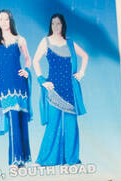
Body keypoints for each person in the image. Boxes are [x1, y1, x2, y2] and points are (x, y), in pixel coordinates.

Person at [32, 14, 88, 167]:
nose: (56, 26)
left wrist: (81, 72)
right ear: (50, 25)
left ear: (63, 25)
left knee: (71, 126)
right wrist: (42, 80)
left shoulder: (70, 43)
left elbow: (85, 56)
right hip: (53, 90)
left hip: (69, 90)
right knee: (53, 124)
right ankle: (43, 160)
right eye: (53, 23)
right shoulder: (46, 42)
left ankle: (72, 160)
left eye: (58, 24)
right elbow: (35, 61)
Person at [0, 9, 31, 167]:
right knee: (11, 119)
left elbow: (28, 59)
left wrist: (27, 71)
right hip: (4, 85)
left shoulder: (20, 40)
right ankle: (14, 161)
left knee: (20, 120)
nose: (3, 22)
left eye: (6, 19)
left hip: (19, 84)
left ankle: (23, 160)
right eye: (0, 20)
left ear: (11, 20)